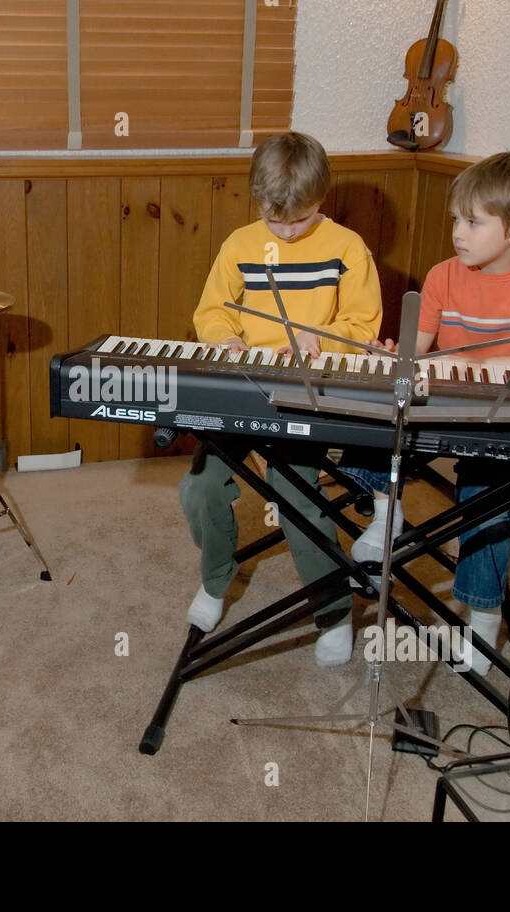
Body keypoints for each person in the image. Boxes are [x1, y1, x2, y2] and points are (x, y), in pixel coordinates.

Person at [344, 151, 510, 673]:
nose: (458, 231)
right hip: (439, 407)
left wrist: (480, 361)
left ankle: (481, 620)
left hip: (498, 419)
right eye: (456, 218)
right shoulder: (442, 276)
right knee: (367, 424)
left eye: (474, 222)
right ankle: (387, 515)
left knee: (488, 498)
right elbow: (420, 349)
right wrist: (395, 357)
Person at [180, 131, 383, 666]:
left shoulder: (347, 247)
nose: (288, 231)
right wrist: (223, 337)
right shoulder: (239, 245)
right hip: (245, 383)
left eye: (301, 218)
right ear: (256, 201)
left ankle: (334, 611)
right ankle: (217, 580)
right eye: (276, 219)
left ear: (323, 198)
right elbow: (213, 310)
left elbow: (363, 322)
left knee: (295, 496)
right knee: (199, 489)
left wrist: (327, 338)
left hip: (306, 391)